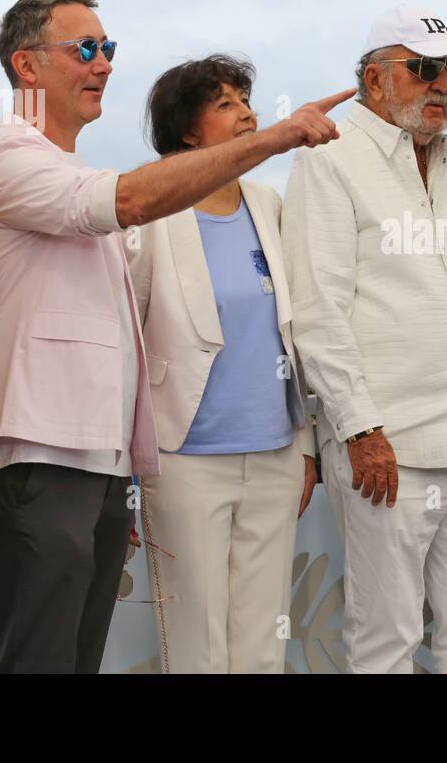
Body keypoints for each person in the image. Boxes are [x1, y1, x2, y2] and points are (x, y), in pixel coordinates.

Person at [0, 0, 345, 673]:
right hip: (36, 452)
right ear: (26, 66)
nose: (102, 63)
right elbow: (130, 201)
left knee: (76, 658)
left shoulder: (72, 169)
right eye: (84, 49)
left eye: (108, 48)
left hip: (98, 459)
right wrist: (277, 136)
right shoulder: (1, 158)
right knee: (43, 658)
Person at [282, 4, 447, 674]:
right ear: (374, 80)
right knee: (386, 640)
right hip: (390, 449)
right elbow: (317, 311)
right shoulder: (329, 157)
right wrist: (360, 428)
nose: (441, 85)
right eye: (423, 68)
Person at [128, 55, 317, 673]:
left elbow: (295, 334)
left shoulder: (270, 203)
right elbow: (124, 337)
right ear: (188, 130)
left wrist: (307, 445)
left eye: (246, 100)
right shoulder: (150, 209)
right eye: (226, 104)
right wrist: (122, 462)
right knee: (196, 642)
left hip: (275, 452)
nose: (247, 113)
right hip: (182, 458)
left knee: (263, 642)